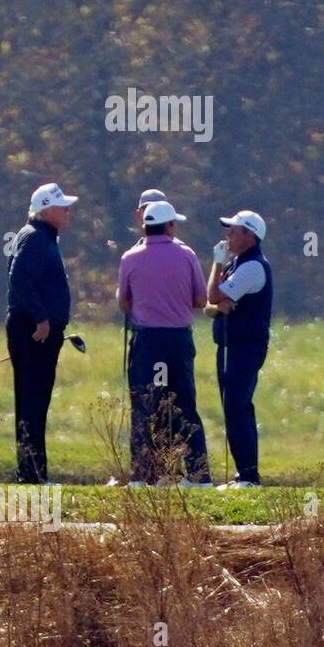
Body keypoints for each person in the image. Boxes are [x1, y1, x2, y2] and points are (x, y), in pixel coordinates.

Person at [116, 201, 211, 486]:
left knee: (145, 405)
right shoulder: (186, 255)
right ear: (169, 226)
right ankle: (198, 475)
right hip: (177, 341)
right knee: (184, 405)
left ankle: (143, 475)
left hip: (146, 341)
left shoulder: (130, 258)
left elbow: (123, 303)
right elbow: (200, 300)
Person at [6, 182, 77, 483]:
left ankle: (34, 472)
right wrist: (41, 318)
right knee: (32, 401)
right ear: (46, 210)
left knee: (36, 401)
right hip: (33, 331)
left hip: (38, 330)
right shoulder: (35, 238)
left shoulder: (43, 236)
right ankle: (31, 473)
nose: (68, 211)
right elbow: (19, 279)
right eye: (63, 207)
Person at [205, 210, 272, 489]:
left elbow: (212, 295)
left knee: (238, 407)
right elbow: (210, 308)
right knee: (232, 407)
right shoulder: (237, 263)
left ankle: (249, 477)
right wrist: (218, 306)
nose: (228, 235)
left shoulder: (252, 267)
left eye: (234, 230)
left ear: (250, 236)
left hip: (245, 347)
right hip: (230, 347)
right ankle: (242, 475)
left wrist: (216, 265)